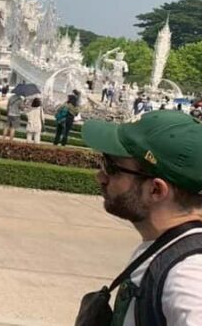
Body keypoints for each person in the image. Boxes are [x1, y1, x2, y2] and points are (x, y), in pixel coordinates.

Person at [80, 111, 202, 326]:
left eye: (111, 167)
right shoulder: (166, 245)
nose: (100, 176)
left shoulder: (187, 276)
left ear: (155, 190)